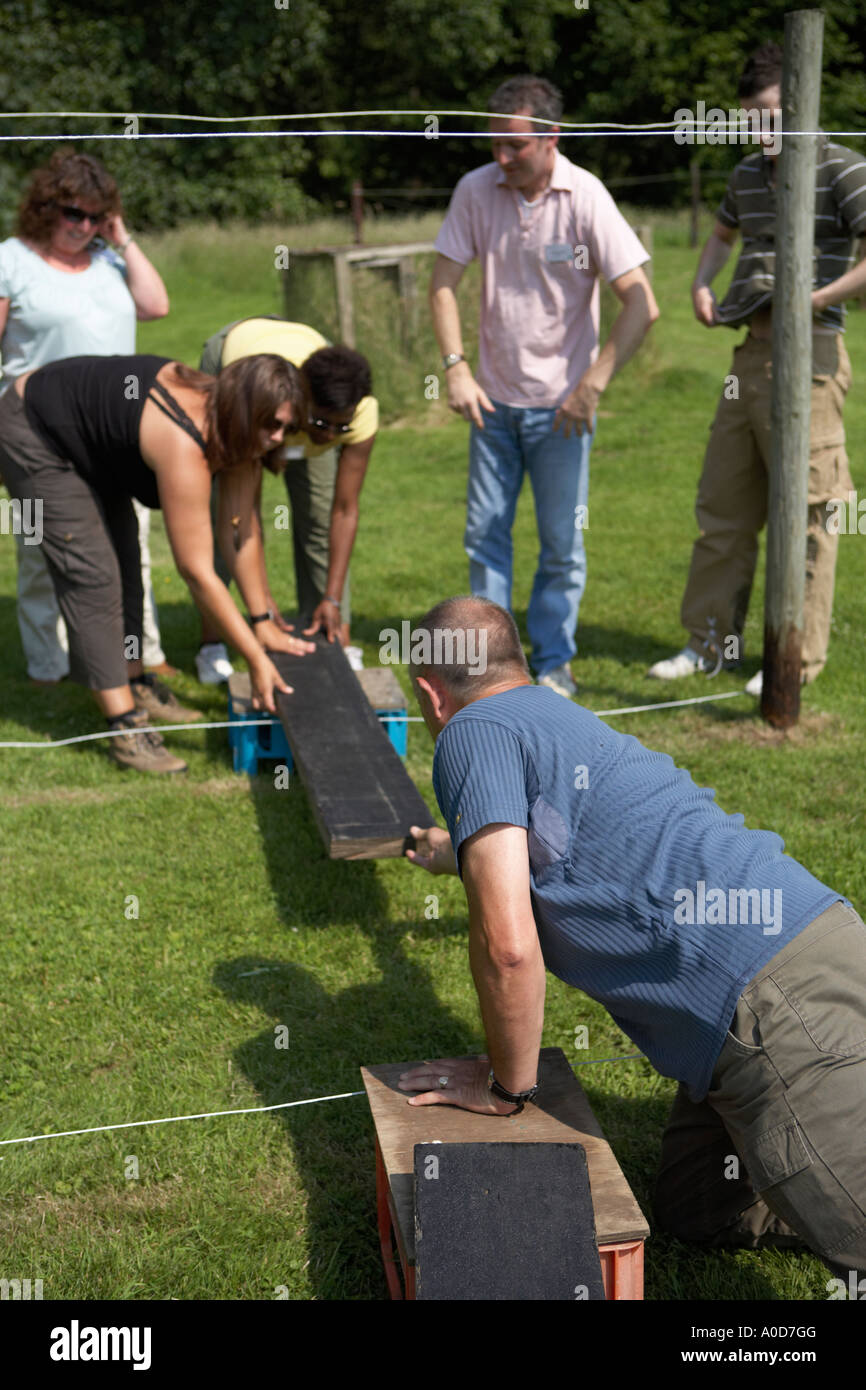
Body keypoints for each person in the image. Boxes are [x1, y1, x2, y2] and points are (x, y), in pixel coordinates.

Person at [403, 595, 866, 1283]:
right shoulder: (551, 711)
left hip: (773, 1010)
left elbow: (508, 946)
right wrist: (457, 849)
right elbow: (555, 835)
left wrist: (505, 1086)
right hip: (809, 943)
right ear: (516, 664)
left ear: (429, 695)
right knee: (696, 1205)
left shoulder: (469, 731)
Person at [430, 75, 658, 699]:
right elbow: (443, 281)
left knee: (561, 544)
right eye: (494, 145)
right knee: (485, 539)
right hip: (492, 405)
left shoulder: (586, 195)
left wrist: (594, 383)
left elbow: (641, 303)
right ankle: (488, 670)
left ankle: (554, 663)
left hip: (563, 412)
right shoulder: (475, 190)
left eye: (515, 147)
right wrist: (454, 367)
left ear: (551, 137)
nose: (501, 158)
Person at [648, 42, 866, 694]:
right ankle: (710, 645)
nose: (759, 129)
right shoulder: (746, 174)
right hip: (749, 354)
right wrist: (699, 286)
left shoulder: (844, 168)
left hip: (815, 355)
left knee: (810, 514)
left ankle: (792, 660)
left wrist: (814, 297)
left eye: (770, 115)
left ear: (800, 106)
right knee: (723, 507)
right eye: (750, 118)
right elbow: (721, 236)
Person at [0, 352, 315, 773]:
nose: (277, 437)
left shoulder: (241, 434)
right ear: (244, 410)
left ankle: (134, 681)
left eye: (287, 427)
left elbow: (239, 534)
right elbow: (196, 571)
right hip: (36, 430)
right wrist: (256, 659)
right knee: (93, 578)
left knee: (127, 561)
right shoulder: (185, 438)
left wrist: (263, 622)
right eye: (270, 424)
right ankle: (123, 728)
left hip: (94, 446)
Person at [0, 149, 175, 685]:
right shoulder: (11, 258)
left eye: (97, 216)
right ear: (46, 207)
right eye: (74, 213)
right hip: (35, 430)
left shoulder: (108, 258)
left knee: (131, 551)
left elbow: (156, 305)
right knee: (37, 552)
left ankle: (139, 654)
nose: (85, 226)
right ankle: (47, 667)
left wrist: (122, 239)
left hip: (113, 429)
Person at [196, 317, 378, 681]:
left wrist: (334, 599)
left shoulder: (351, 412)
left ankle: (328, 631)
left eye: (341, 427)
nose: (330, 437)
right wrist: (259, 601)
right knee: (224, 522)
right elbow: (243, 514)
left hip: (305, 379)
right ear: (300, 403)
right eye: (322, 425)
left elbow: (344, 511)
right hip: (240, 376)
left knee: (319, 518)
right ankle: (211, 643)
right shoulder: (264, 407)